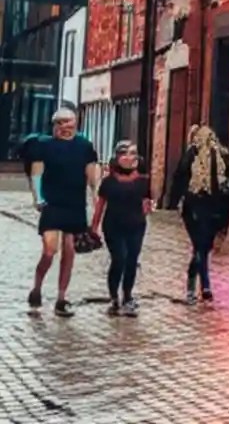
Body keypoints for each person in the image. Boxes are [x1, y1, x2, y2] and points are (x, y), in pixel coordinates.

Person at [27, 109, 100, 318]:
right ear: (54, 125)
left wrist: (95, 195)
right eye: (59, 122)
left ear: (75, 123)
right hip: (52, 204)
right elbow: (37, 173)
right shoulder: (44, 145)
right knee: (50, 250)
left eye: (67, 122)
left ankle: (61, 298)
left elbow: (92, 173)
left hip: (75, 204)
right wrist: (37, 197)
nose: (63, 126)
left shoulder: (84, 146)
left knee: (69, 250)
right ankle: (37, 287)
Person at [170, 125, 229, 305]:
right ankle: (203, 286)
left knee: (200, 247)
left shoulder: (190, 155)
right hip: (216, 209)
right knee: (203, 247)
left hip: (195, 208)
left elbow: (179, 180)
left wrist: (174, 202)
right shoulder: (222, 155)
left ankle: (195, 284)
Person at [90, 141, 153, 317]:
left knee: (132, 260)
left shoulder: (142, 181)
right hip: (113, 226)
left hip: (136, 226)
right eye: (124, 154)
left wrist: (147, 208)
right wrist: (94, 227)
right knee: (119, 258)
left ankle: (127, 296)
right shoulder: (109, 182)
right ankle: (113, 297)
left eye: (133, 153)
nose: (129, 158)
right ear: (117, 158)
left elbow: (146, 202)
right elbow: (100, 205)